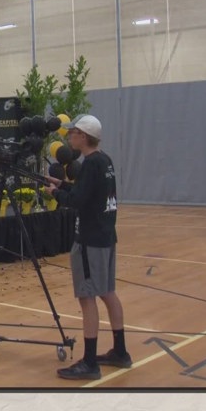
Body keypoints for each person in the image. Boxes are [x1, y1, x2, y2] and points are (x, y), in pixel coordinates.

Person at [43, 114, 127, 380]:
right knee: (108, 293)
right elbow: (90, 192)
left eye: (73, 133)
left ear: (84, 136)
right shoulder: (105, 161)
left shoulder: (90, 164)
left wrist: (55, 193)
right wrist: (64, 184)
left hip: (90, 240)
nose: (69, 137)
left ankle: (90, 362)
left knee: (87, 297)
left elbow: (78, 201)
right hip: (106, 237)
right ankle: (120, 351)